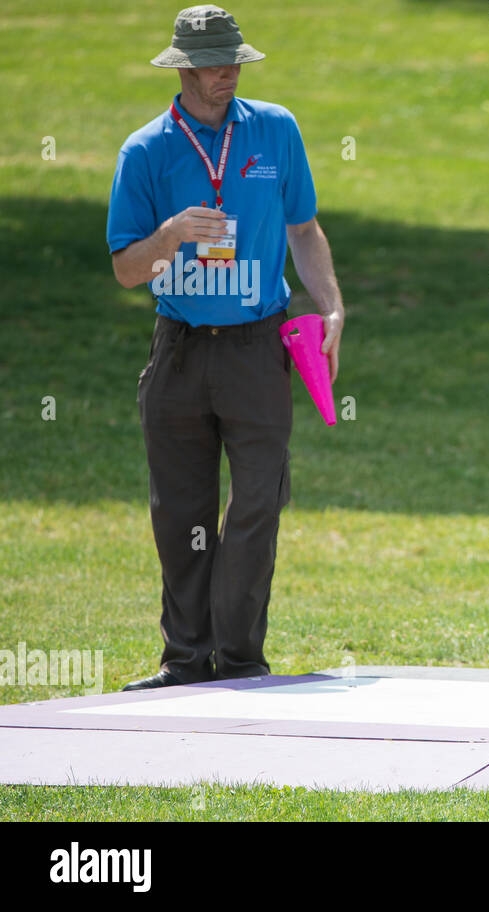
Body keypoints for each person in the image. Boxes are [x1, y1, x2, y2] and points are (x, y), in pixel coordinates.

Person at [107, 5, 343, 690]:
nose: (227, 73)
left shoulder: (275, 129)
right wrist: (173, 233)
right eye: (213, 63)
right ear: (182, 68)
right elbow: (127, 269)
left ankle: (241, 662)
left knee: (256, 505)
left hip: (256, 349)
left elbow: (303, 227)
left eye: (234, 60)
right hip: (179, 350)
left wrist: (330, 304)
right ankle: (185, 661)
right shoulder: (145, 152)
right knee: (181, 512)